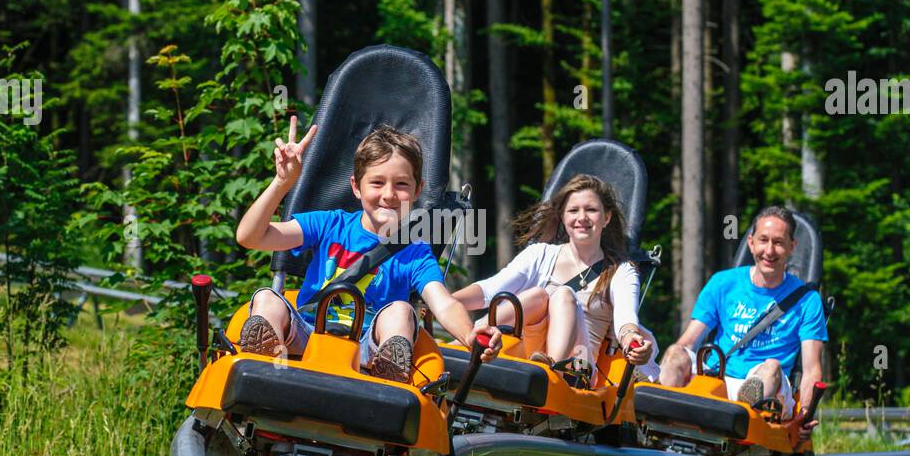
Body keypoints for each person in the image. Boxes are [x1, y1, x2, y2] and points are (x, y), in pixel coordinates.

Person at [235, 118, 502, 385]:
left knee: (400, 311)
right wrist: (282, 183)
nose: (389, 194)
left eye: (401, 184)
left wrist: (469, 335)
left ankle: (388, 375)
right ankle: (260, 376)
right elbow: (250, 237)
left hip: (368, 347)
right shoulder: (329, 224)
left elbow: (444, 303)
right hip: (307, 333)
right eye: (377, 183)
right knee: (267, 299)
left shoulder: (415, 253)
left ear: (417, 190)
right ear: (356, 187)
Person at [451, 174, 656, 384]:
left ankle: (551, 371)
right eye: (573, 210)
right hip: (529, 357)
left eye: (591, 210)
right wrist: (443, 302)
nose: (582, 217)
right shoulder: (540, 254)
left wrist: (632, 340)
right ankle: (466, 341)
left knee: (563, 295)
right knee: (537, 296)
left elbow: (626, 319)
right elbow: (489, 291)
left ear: (606, 218)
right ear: (562, 216)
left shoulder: (621, 271)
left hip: (577, 367)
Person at [657, 205, 827, 434]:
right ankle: (658, 419)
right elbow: (688, 342)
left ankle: (744, 412)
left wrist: (805, 412)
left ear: (791, 247)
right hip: (715, 377)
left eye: (778, 242)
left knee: (770, 368)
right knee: (675, 353)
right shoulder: (722, 283)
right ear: (751, 242)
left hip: (770, 388)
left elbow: (811, 368)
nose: (769, 250)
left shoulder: (808, 300)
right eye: (763, 240)